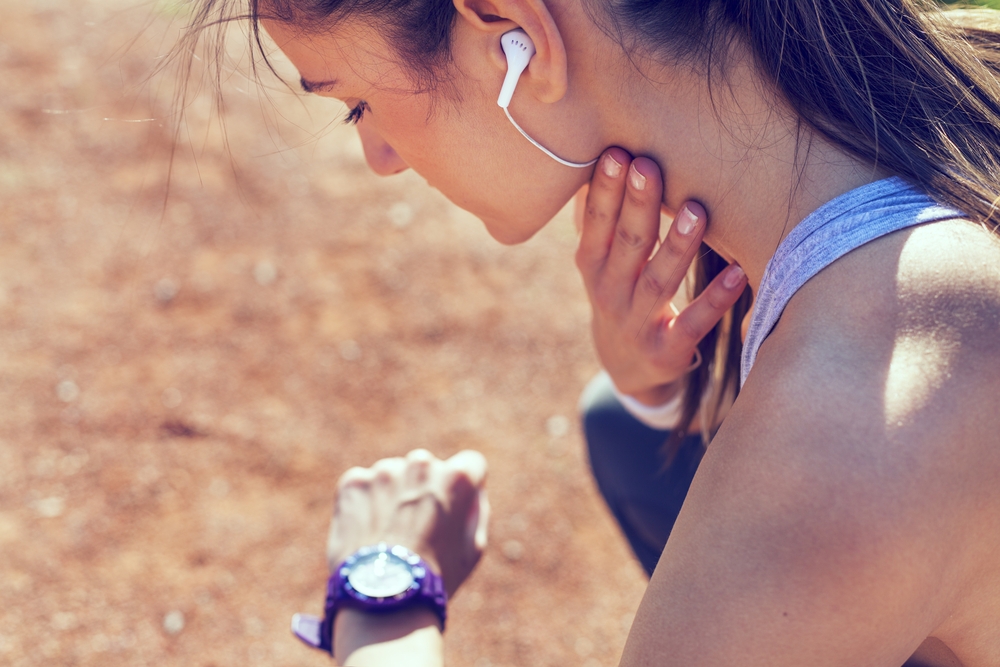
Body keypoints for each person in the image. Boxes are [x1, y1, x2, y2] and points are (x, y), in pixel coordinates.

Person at [176, 0, 1000, 664]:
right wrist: (652, 381)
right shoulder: (913, 123)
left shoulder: (848, 429)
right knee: (625, 424)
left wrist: (383, 601)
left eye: (358, 103)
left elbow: (835, 473)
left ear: (516, 33)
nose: (379, 155)